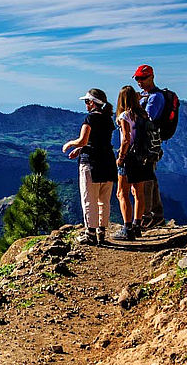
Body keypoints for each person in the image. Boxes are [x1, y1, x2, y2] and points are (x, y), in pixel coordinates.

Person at [62, 89, 115, 245]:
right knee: (104, 200)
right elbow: (99, 142)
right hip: (108, 161)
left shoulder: (90, 118)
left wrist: (71, 144)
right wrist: (80, 149)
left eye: (87, 101)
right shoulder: (108, 119)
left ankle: (90, 234)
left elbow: (83, 140)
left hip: (91, 163)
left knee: (89, 198)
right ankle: (102, 233)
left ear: (92, 103)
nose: (85, 104)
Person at [115, 85, 154, 240]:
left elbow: (126, 139)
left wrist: (121, 157)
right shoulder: (143, 114)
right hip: (143, 157)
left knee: (122, 193)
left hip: (129, 158)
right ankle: (137, 226)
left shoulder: (124, 116)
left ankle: (127, 229)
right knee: (138, 193)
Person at [133, 64, 165, 228]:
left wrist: (135, 106)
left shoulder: (155, 98)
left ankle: (146, 216)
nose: (139, 82)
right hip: (148, 143)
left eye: (142, 78)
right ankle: (157, 214)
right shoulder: (148, 96)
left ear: (152, 77)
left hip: (148, 145)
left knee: (145, 179)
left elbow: (148, 119)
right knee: (150, 177)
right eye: (137, 78)